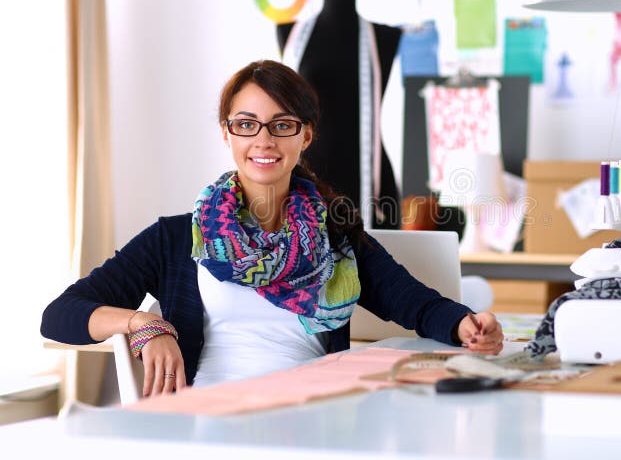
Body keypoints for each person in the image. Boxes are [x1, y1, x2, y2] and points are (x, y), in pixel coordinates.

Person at [40, 59, 504, 398]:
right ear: (227, 133)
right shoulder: (176, 237)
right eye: (247, 124)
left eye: (281, 124)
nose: (263, 140)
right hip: (208, 419)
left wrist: (467, 325)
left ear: (305, 135)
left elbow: (412, 301)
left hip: (312, 413)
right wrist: (143, 323)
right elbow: (60, 313)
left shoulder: (335, 235)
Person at [277, 0, 401, 229]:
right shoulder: (291, 33)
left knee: (374, 262)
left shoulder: (383, 36)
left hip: (369, 179)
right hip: (307, 170)